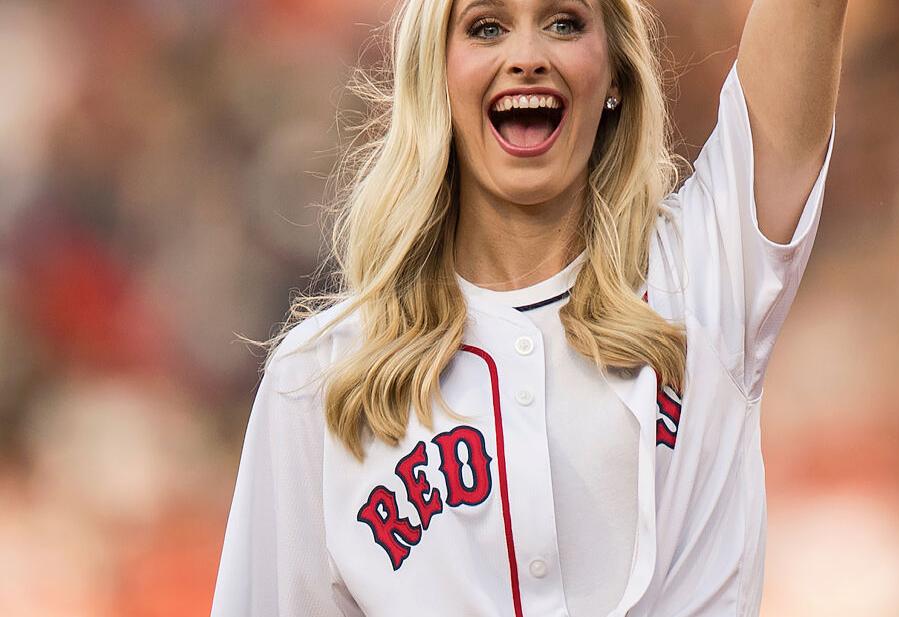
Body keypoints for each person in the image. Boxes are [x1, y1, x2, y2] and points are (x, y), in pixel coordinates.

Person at [209, 0, 845, 615]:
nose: (527, 57)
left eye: (564, 23)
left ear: (615, 75)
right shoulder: (320, 376)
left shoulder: (704, 270)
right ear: (437, 74)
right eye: (486, 27)